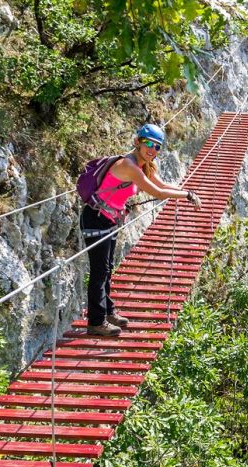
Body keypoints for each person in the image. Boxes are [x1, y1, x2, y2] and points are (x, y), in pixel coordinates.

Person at [82, 123, 201, 337]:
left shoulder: (143, 164)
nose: (152, 149)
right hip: (96, 218)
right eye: (148, 143)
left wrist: (187, 191)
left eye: (157, 146)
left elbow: (162, 184)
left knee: (107, 268)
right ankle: (95, 322)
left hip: (108, 219)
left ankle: (108, 312)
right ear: (137, 142)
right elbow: (158, 192)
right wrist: (187, 196)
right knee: (99, 272)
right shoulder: (129, 166)